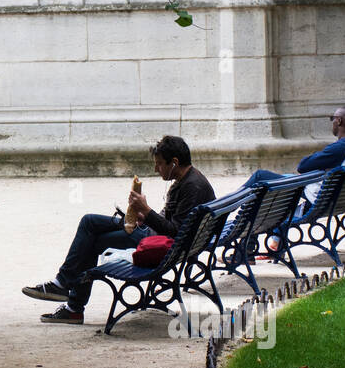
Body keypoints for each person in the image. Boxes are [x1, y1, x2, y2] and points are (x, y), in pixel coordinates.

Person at [22, 135, 216, 324]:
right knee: (92, 237)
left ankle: (66, 290)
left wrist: (146, 211)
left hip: (158, 245)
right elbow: (174, 224)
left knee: (89, 223)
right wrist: (143, 216)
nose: (156, 169)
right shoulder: (190, 180)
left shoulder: (192, 187)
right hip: (163, 240)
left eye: (159, 164)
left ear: (174, 162)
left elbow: (174, 231)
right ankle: (70, 302)